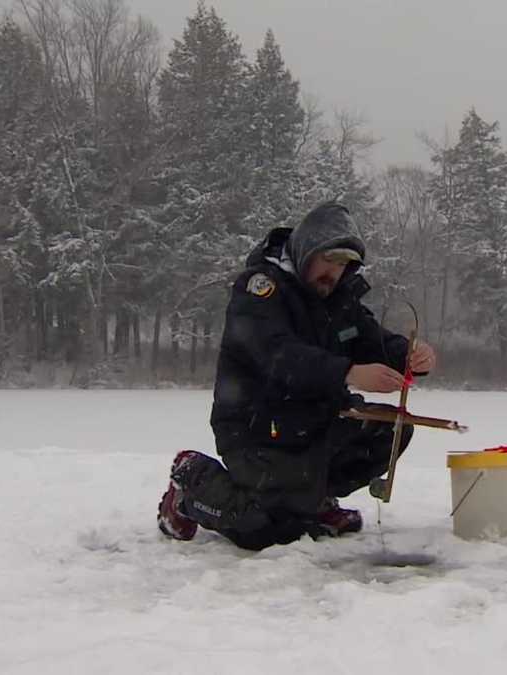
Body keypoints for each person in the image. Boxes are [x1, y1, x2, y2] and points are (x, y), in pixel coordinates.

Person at [156, 201, 437, 551]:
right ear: (307, 250)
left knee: (390, 430)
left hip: (317, 422)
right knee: (264, 530)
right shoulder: (258, 291)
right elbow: (278, 355)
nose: (334, 273)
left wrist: (408, 355)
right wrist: (348, 372)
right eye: (329, 261)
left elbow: (369, 339)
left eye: (343, 266)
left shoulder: (338, 298)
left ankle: (313, 502)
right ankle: (192, 482)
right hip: (257, 428)